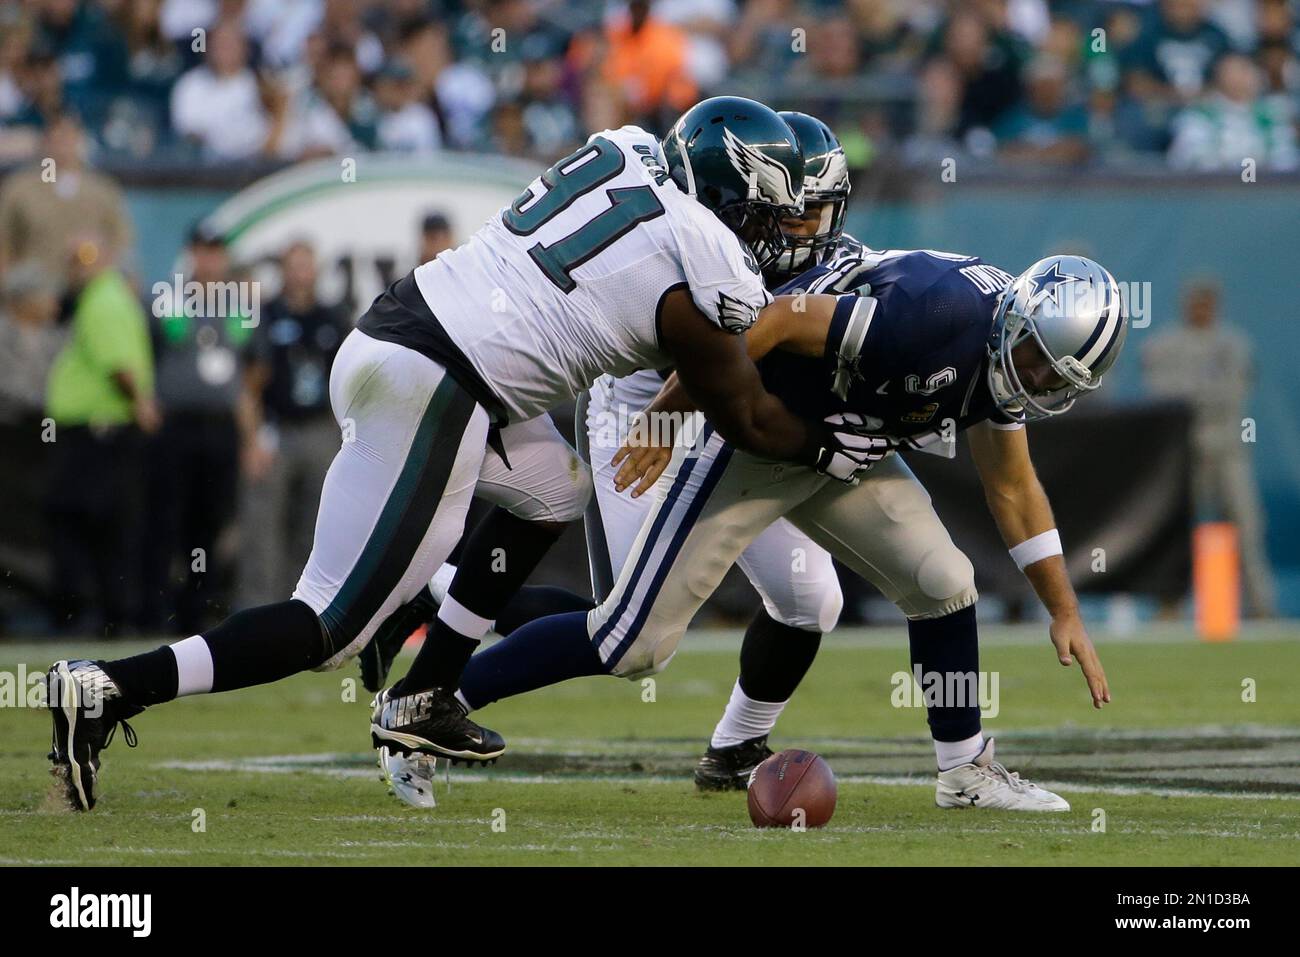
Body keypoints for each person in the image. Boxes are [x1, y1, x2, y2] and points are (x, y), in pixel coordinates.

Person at [45, 97, 873, 812]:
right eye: (765, 211)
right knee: (326, 625)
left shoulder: (625, 150)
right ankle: (111, 685)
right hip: (440, 380)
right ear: (727, 197)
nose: (773, 231)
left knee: (557, 490)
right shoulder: (706, 253)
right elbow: (749, 414)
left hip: (416, 335)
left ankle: (429, 683)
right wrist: (842, 444)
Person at [444, 250, 1128, 812]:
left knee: (943, 580)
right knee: (633, 641)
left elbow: (1013, 485)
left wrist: (1064, 610)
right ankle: (441, 698)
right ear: (1016, 320)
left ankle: (965, 772)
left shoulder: (996, 356)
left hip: (841, 449)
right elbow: (776, 321)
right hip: (758, 433)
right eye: (1035, 357)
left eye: (1053, 375)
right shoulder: (935, 318)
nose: (1034, 378)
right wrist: (668, 413)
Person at [373, 111, 857, 804]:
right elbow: (720, 371)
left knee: (811, 597)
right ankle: (431, 690)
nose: (794, 230)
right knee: (628, 633)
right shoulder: (709, 243)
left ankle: (736, 744)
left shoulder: (805, 254)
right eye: (788, 213)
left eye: (809, 215)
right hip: (644, 411)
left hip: (731, 411)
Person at [138, 223, 256, 634]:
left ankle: (197, 610)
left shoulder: (240, 302)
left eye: (215, 251)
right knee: (167, 518)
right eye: (202, 251)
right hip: (177, 424)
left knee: (209, 522)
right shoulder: (168, 298)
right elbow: (145, 350)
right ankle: (154, 610)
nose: (208, 260)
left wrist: (251, 434)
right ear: (192, 254)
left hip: (219, 426)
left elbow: (251, 371)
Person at [44, 231, 157, 636]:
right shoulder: (105, 298)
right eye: (76, 258)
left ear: (106, 259)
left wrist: (140, 403)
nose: (78, 267)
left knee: (79, 521)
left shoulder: (102, 299)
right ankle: (109, 612)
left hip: (99, 433)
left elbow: (119, 365)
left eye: (87, 257)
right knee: (104, 523)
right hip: (101, 432)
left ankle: (93, 613)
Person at [1143, 280, 1276, 617]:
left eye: (1207, 303)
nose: (1201, 309)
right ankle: (1170, 603)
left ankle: (1260, 605)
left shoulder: (1233, 344)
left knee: (1246, 523)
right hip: (1185, 451)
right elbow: (1164, 394)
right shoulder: (1165, 344)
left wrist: (1196, 395)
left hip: (1229, 448)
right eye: (1195, 302)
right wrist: (1198, 395)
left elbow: (1232, 393)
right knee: (1178, 526)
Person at [237, 241, 351, 607]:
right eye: (293, 266)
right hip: (278, 430)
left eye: (306, 265)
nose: (300, 274)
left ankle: (307, 609)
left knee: (318, 526)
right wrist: (253, 439)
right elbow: (249, 384)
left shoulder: (332, 317)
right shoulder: (267, 315)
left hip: (322, 430)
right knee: (263, 527)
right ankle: (259, 609)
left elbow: (350, 379)